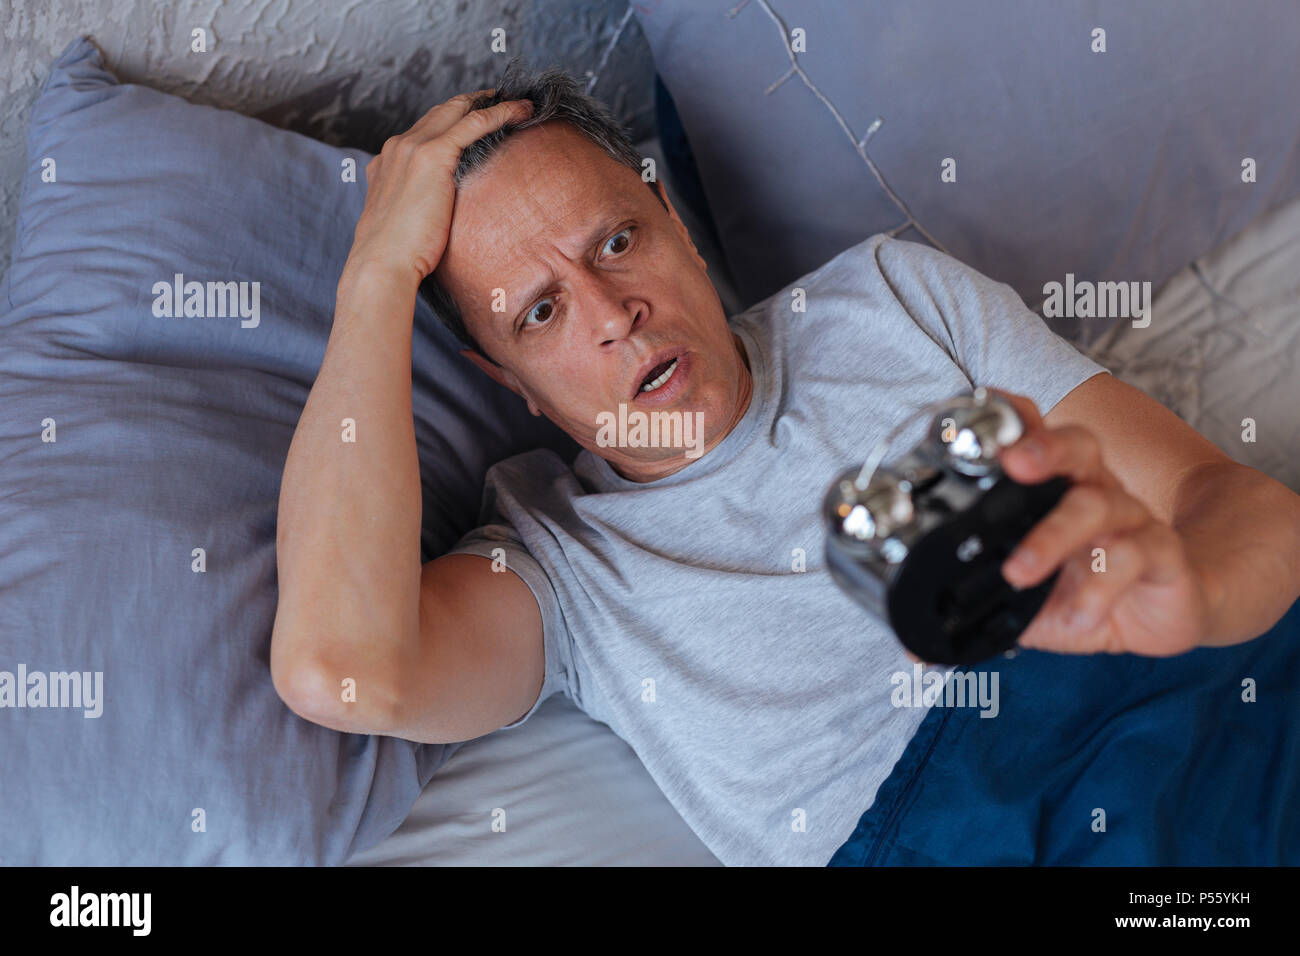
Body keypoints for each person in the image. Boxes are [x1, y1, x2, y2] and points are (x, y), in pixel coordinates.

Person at [269, 66, 1300, 865]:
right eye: (539, 313)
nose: (611, 311)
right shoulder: (559, 569)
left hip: (1203, 679)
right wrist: (376, 279)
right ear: (510, 385)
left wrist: (1196, 592)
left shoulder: (888, 297)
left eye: (618, 239)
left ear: (672, 220)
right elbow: (341, 668)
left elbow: (1233, 505)